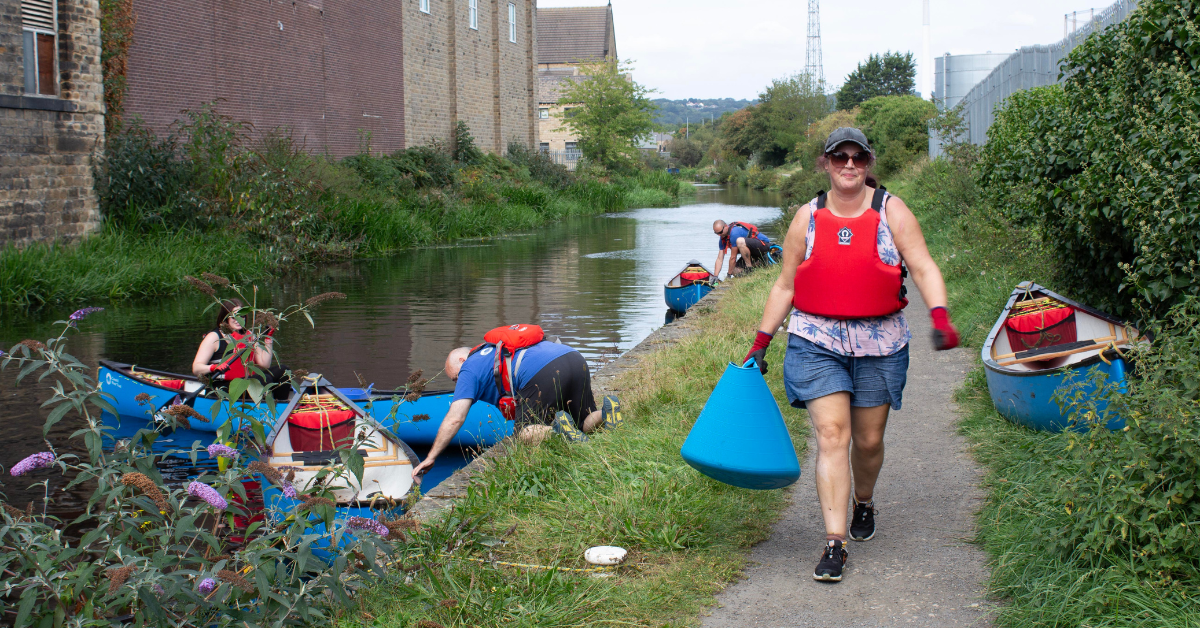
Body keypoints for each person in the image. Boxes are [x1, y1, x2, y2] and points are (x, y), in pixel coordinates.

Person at [743, 127, 960, 583]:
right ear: (824, 163)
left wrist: (940, 317)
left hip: (879, 343)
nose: (848, 165)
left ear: (868, 162)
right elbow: (785, 284)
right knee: (831, 435)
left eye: (857, 157)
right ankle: (834, 542)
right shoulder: (808, 217)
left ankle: (864, 500)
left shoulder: (892, 211)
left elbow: (921, 265)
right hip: (816, 339)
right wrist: (760, 343)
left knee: (867, 441)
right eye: (838, 157)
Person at [410, 325, 622, 482]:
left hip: (542, 371)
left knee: (525, 433)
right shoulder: (493, 351)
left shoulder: (469, 368)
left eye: (455, 379)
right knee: (585, 421)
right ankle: (607, 413)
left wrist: (431, 457)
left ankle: (559, 432)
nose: (458, 384)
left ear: (462, 361)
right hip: (573, 357)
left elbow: (455, 417)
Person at [190, 299, 287, 395]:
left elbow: (265, 364)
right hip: (222, 387)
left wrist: (268, 339)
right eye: (234, 316)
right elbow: (196, 368)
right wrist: (214, 367)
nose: (238, 320)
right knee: (262, 379)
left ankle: (282, 405)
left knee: (283, 370)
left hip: (244, 381)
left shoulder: (249, 336)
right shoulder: (214, 337)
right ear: (226, 317)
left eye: (242, 315)